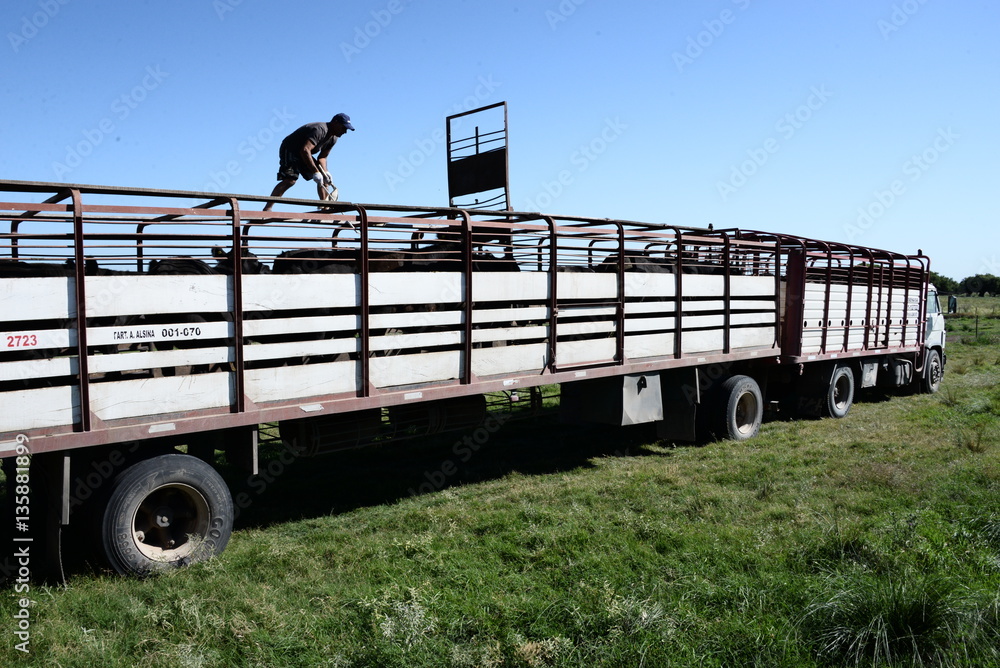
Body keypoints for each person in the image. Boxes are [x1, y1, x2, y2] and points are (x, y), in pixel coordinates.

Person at [264, 113, 355, 211]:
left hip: (304, 152)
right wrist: (315, 172)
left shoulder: (334, 137)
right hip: (290, 149)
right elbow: (305, 149)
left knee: (324, 178)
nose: (345, 132)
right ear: (335, 123)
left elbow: (322, 157)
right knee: (290, 180)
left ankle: (325, 207)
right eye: (343, 128)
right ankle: (267, 208)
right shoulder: (319, 130)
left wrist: (326, 172)